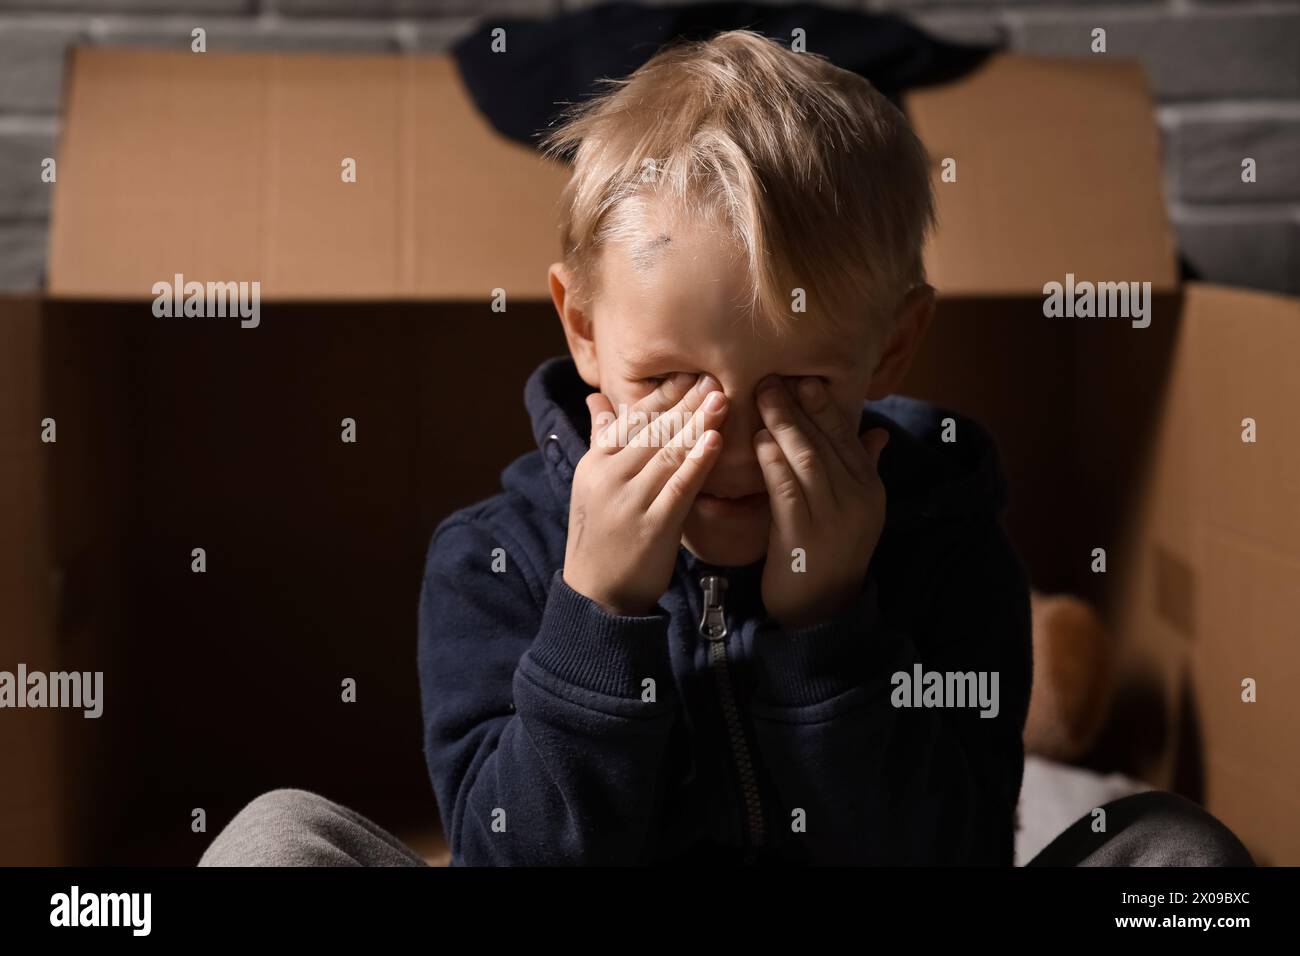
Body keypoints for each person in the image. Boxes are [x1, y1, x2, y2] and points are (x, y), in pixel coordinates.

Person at [200, 30, 1251, 868]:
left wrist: (825, 627)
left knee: (1172, 848)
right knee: (274, 838)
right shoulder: (493, 558)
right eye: (665, 381)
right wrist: (595, 615)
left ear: (892, 346)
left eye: (797, 388)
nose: (728, 442)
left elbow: (944, 854)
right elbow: (508, 854)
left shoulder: (946, 546)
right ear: (581, 330)